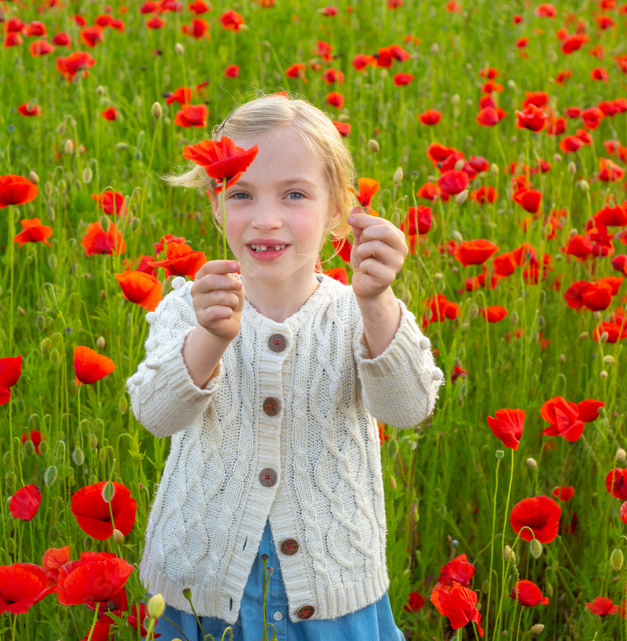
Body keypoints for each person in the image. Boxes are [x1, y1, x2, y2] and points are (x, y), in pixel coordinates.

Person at [127, 91, 445, 641]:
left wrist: (378, 302)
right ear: (215, 201)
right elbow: (156, 413)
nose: (266, 219)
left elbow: (409, 406)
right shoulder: (188, 306)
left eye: (294, 194)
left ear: (343, 210)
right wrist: (209, 338)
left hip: (329, 591)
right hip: (202, 588)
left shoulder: (354, 312)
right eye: (242, 194)